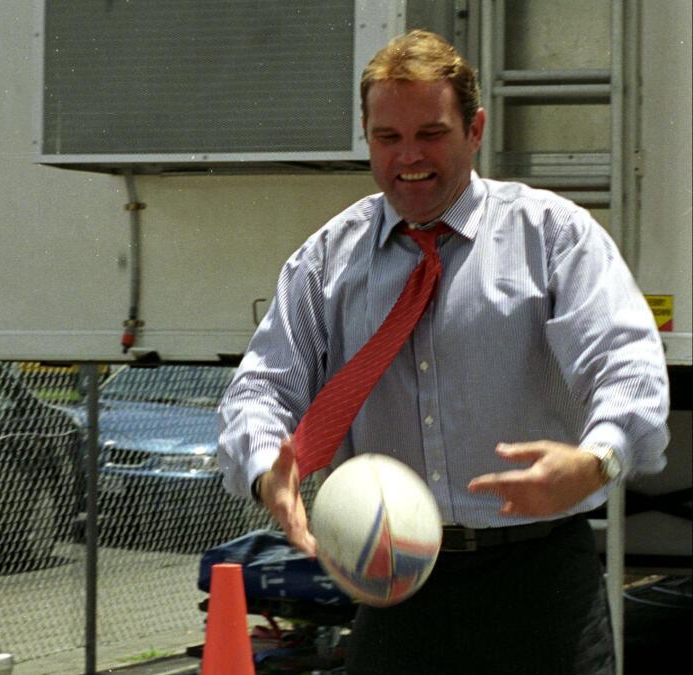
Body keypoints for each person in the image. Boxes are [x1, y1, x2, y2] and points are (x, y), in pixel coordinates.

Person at [217, 30, 669, 675]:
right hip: (393, 588)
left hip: (540, 584)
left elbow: (628, 366)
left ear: (475, 129)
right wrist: (270, 470)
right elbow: (261, 389)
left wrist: (597, 460)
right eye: (388, 137)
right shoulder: (326, 261)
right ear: (367, 137)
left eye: (431, 133)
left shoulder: (552, 235)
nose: (409, 157)